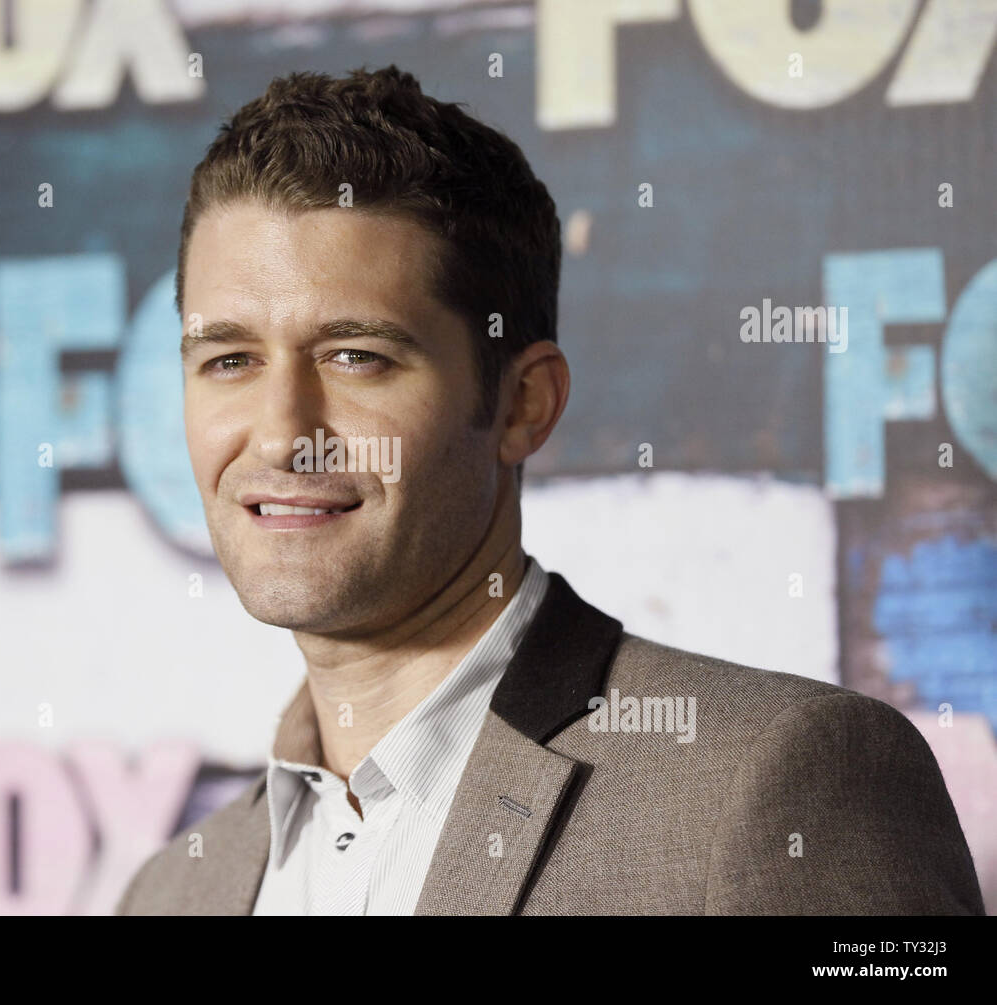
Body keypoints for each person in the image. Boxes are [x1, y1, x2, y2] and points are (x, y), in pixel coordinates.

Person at [116, 66, 982, 915]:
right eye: (229, 359)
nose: (278, 434)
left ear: (524, 403)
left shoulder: (782, 782)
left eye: (357, 357)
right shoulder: (171, 891)